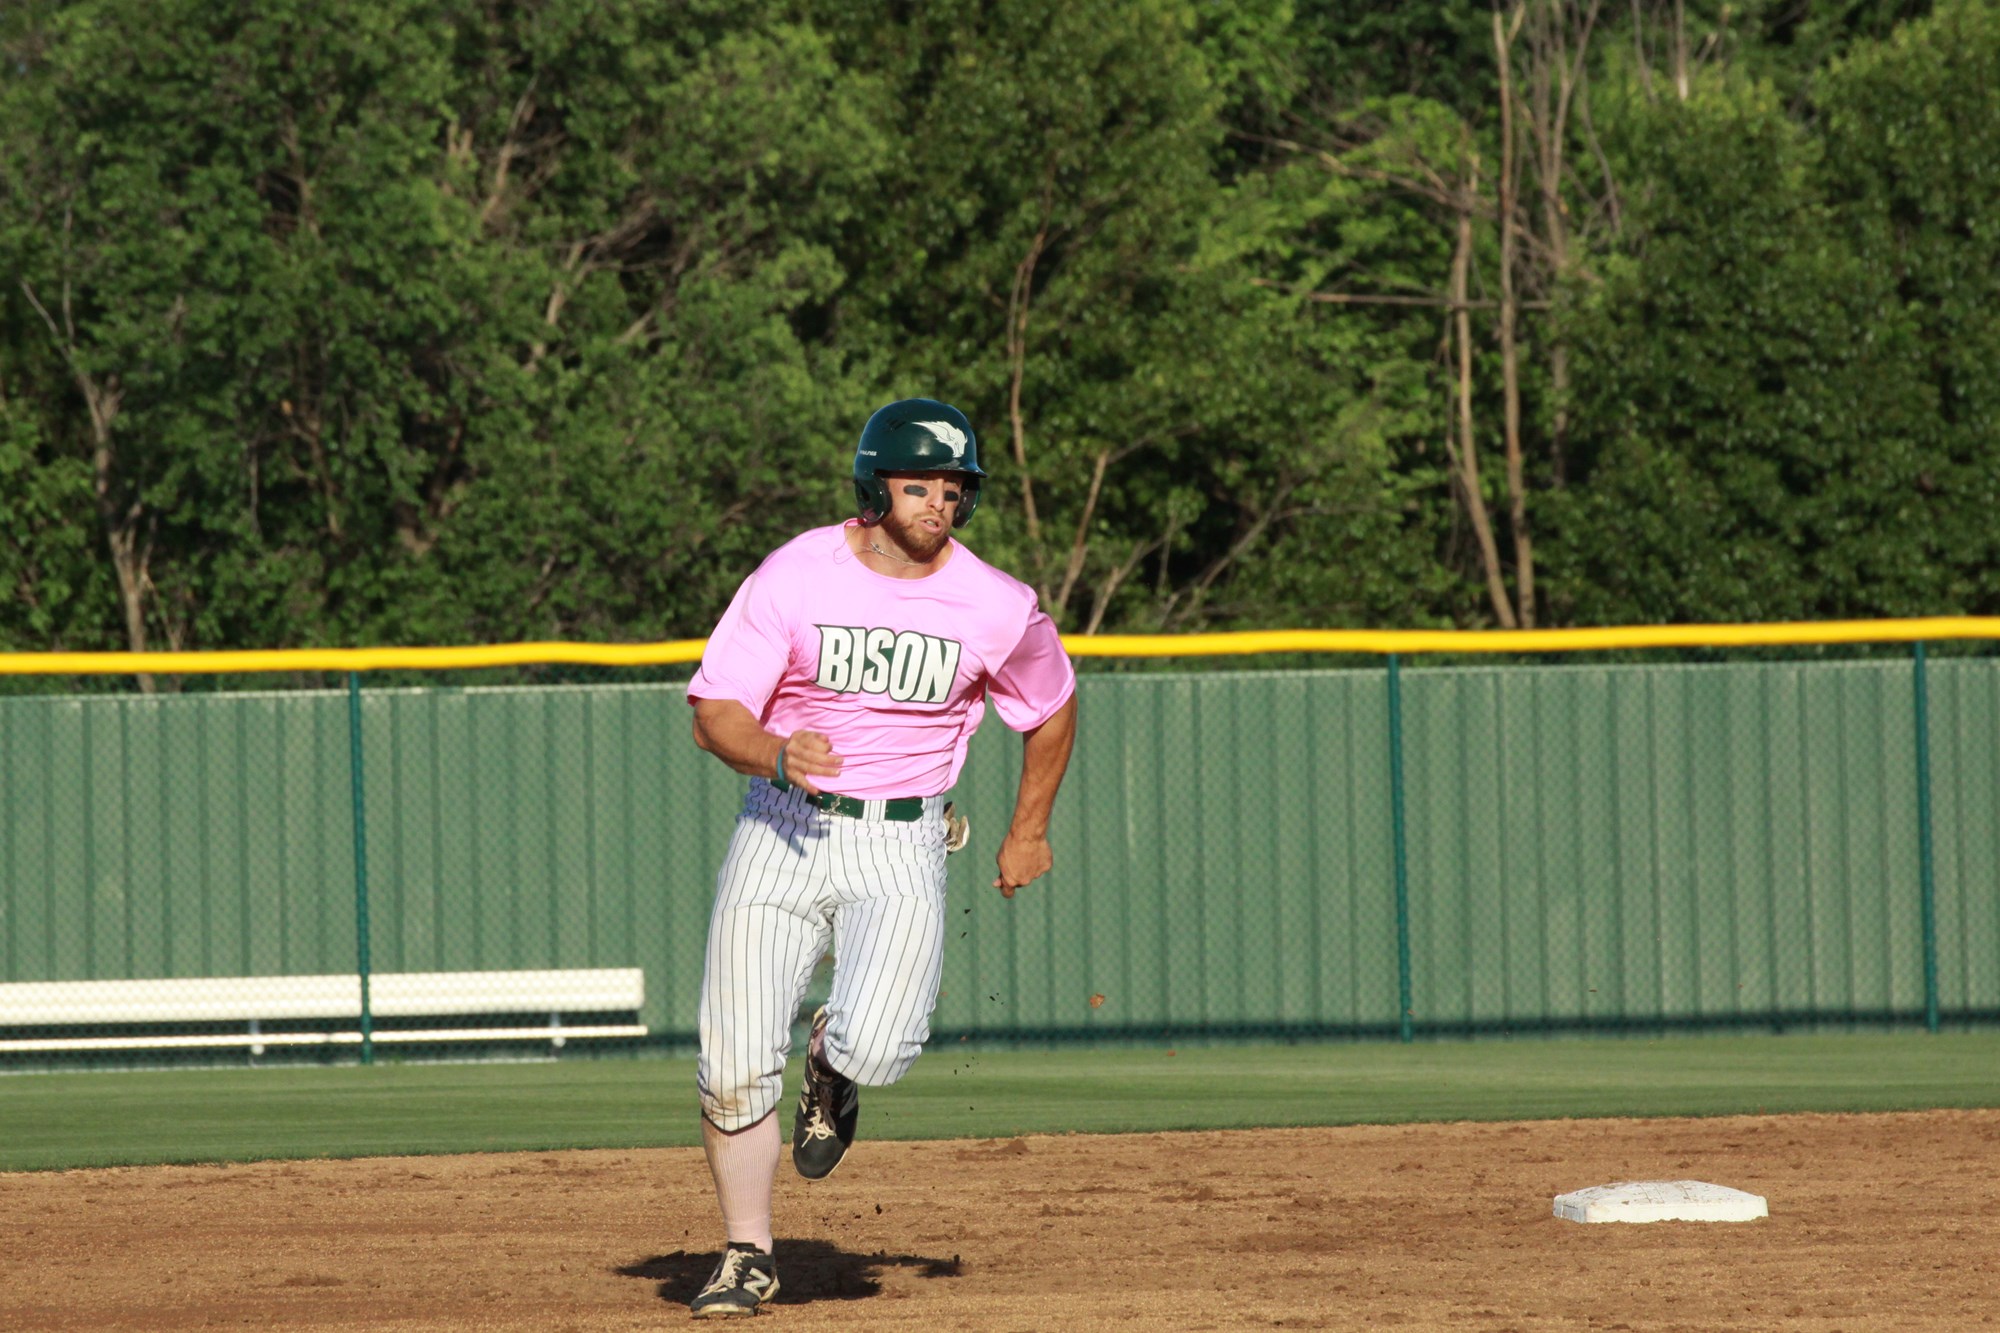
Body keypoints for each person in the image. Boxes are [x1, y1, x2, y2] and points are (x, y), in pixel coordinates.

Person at [680, 397, 1079, 1318]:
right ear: (875, 482)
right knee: (733, 1062)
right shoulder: (796, 573)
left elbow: (1052, 706)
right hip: (781, 826)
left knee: (883, 1045)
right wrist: (774, 751)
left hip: (902, 839)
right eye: (920, 483)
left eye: (954, 486)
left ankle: (832, 1058)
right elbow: (715, 712)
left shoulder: (996, 603)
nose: (940, 501)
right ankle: (747, 1252)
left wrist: (1028, 828)